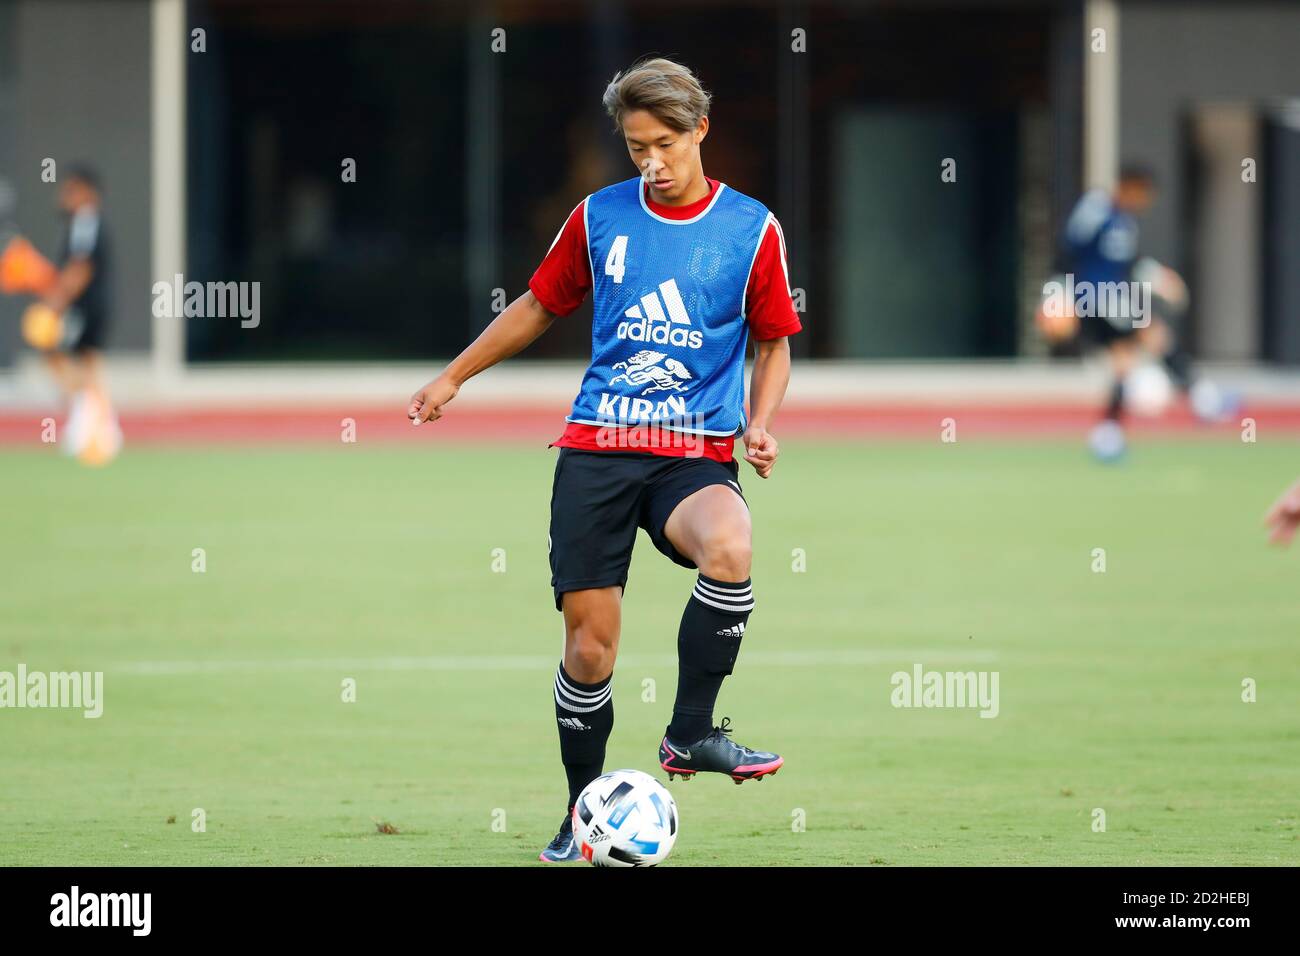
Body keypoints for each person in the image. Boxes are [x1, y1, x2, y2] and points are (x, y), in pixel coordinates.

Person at [406, 57, 802, 862]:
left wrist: (759, 423)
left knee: (731, 543)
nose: (650, 163)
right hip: (596, 454)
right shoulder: (599, 218)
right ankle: (579, 811)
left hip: (693, 456)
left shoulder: (751, 229)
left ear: (700, 131)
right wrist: (454, 375)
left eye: (663, 144)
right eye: (634, 149)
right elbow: (539, 306)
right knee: (591, 650)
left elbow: (775, 345)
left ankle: (689, 735)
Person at [1059, 164, 1229, 461]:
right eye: (1142, 193)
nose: (1144, 201)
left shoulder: (1125, 221)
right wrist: (1059, 295)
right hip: (1099, 295)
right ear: (1128, 186)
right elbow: (1067, 251)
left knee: (1125, 362)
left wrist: (1161, 279)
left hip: (1112, 295)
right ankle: (1204, 399)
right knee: (1154, 335)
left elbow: (1129, 264)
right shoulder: (1096, 210)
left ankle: (1108, 434)